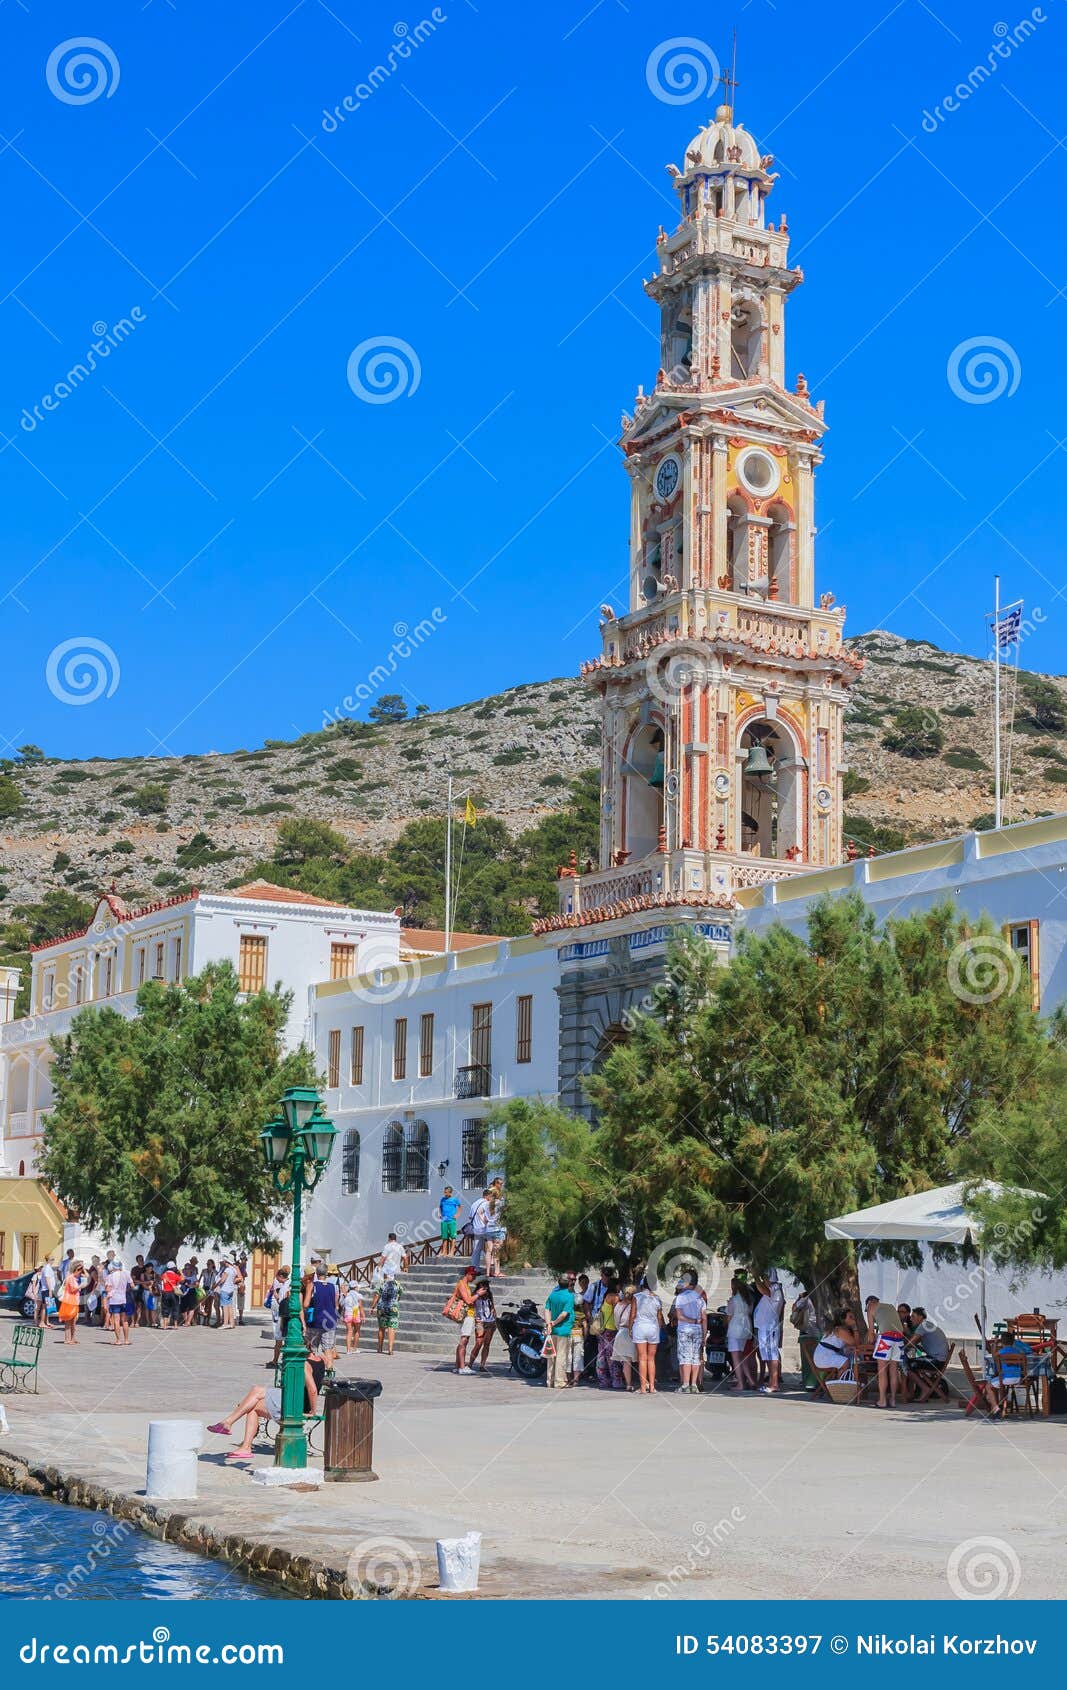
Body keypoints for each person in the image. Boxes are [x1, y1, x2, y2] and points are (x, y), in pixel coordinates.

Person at [207, 1354, 325, 1460]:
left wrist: (313, 1411)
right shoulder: (321, 1359)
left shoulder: (303, 1363)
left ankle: (229, 1424)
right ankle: (244, 1447)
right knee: (253, 1406)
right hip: (295, 1399)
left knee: (256, 1391)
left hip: (295, 1403)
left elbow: (313, 1390)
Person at [866, 1294, 905, 1409]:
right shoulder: (890, 1306)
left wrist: (871, 1342)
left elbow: (871, 1333)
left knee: (882, 1370)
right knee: (893, 1370)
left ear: (869, 1303)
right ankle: (892, 1400)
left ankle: (882, 1400)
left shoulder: (870, 1307)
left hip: (886, 1338)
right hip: (899, 1338)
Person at [672, 1270, 707, 1394]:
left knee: (685, 1357)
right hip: (697, 1330)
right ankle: (694, 1384)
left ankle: (686, 1384)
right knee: (695, 1358)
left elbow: (679, 1316)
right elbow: (704, 1318)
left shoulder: (681, 1297)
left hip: (685, 1329)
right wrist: (704, 1334)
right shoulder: (699, 1298)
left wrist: (691, 1321)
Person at [753, 1273, 785, 1395]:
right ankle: (771, 1382)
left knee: (772, 1355)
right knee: (767, 1355)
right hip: (764, 1327)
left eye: (764, 1278)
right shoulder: (771, 1289)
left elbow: (764, 1290)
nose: (763, 1280)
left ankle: (774, 1383)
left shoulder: (775, 1289)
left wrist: (755, 1276)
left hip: (769, 1327)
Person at [632, 1276, 664, 1394]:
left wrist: (630, 1328)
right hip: (653, 1328)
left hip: (640, 1327)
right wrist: (658, 1328)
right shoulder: (657, 1299)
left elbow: (633, 1314)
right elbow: (659, 1317)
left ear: (643, 1285)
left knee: (642, 1358)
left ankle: (642, 1387)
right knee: (651, 1359)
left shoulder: (637, 1297)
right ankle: (651, 1386)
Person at [544, 1273, 575, 1389]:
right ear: (569, 1283)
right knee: (561, 1356)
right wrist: (554, 1323)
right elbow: (564, 1314)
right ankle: (559, 1382)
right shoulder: (569, 1296)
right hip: (563, 1329)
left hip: (552, 1331)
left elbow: (547, 1309)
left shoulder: (553, 1294)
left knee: (551, 1356)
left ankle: (550, 1381)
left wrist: (549, 1324)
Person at [725, 1275, 756, 1390]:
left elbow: (729, 1316)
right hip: (746, 1326)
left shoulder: (733, 1300)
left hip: (735, 1327)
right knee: (742, 1356)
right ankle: (751, 1380)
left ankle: (741, 1383)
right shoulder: (748, 1299)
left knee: (736, 1358)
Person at [304, 1263, 338, 1365]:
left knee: (312, 1348)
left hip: (316, 1321)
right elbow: (336, 1305)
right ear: (326, 1273)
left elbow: (306, 1304)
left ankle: (312, 1371)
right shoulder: (333, 1287)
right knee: (328, 1349)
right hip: (330, 1321)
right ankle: (329, 1372)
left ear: (316, 1273)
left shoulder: (313, 1285)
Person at [813, 1311, 859, 1379]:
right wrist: (855, 1327)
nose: (853, 1319)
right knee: (845, 1362)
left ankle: (850, 1382)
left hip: (828, 1354)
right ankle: (839, 1385)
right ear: (843, 1319)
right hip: (823, 1356)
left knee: (852, 1358)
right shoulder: (840, 1330)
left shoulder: (843, 1329)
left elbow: (852, 1344)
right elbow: (855, 1343)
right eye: (850, 1317)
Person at [450, 1265, 478, 1374]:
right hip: (467, 1315)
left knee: (464, 1340)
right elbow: (468, 1301)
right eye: (473, 1275)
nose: (474, 1278)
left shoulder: (465, 1284)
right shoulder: (461, 1284)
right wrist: (478, 1294)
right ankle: (461, 1367)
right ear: (468, 1274)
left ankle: (458, 1366)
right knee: (464, 1340)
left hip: (469, 1314)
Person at [611, 1282, 637, 1390]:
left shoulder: (617, 1305)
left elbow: (616, 1322)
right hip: (632, 1333)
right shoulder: (634, 1306)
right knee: (642, 1359)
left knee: (626, 1362)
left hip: (621, 1332)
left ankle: (628, 1384)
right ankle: (645, 1383)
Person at [372, 1267, 403, 1355]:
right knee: (391, 1327)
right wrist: (395, 1303)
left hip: (382, 1307)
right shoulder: (397, 1284)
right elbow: (400, 1295)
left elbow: (377, 1296)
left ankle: (380, 1348)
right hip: (393, 1307)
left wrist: (372, 1307)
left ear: (386, 1274)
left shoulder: (382, 1283)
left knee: (381, 1328)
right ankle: (390, 1349)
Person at [469, 1278, 497, 1372]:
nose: (485, 1287)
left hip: (490, 1320)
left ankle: (482, 1364)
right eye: (483, 1285)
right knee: (478, 1343)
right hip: (480, 1321)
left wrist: (494, 1315)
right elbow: (470, 1306)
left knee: (487, 1344)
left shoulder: (489, 1295)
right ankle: (470, 1364)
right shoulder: (475, 1295)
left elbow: (492, 1306)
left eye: (486, 1285)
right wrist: (474, 1317)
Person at [104, 1258, 132, 1347]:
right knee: (125, 1320)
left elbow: (108, 1289)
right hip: (123, 1299)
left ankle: (118, 1340)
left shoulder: (110, 1276)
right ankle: (126, 1340)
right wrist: (125, 1290)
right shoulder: (126, 1274)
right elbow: (132, 1285)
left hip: (114, 1300)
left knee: (116, 1320)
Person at [266, 1265, 290, 1366]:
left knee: (279, 1339)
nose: (276, 1279)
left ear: (281, 1276)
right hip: (283, 1314)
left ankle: (276, 1360)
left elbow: (285, 1299)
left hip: (283, 1315)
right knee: (280, 1339)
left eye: (277, 1277)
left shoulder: (286, 1286)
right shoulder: (287, 1284)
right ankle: (277, 1359)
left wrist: (275, 1295)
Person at [570, 1273, 590, 1385]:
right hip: (579, 1336)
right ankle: (576, 1379)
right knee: (578, 1357)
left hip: (569, 1335)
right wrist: (585, 1335)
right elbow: (585, 1326)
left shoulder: (569, 1314)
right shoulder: (581, 1315)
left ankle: (569, 1376)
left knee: (569, 1356)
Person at [58, 1261, 84, 1345]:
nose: (80, 1271)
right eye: (79, 1269)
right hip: (70, 1301)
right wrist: (81, 1286)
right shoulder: (71, 1278)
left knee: (74, 1321)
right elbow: (73, 1289)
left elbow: (87, 1277)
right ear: (74, 1269)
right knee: (69, 1321)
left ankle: (72, 1338)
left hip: (74, 1301)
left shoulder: (74, 1278)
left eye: (81, 1270)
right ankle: (67, 1339)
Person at [216, 1257, 240, 1330]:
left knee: (225, 1307)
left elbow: (222, 1280)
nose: (224, 1263)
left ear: (227, 1262)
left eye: (225, 1262)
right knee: (230, 1307)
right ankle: (232, 1323)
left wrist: (216, 1285)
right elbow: (236, 1278)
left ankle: (225, 1323)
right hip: (231, 1290)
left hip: (225, 1290)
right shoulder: (234, 1270)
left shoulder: (227, 1270)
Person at [438, 1186, 462, 1257]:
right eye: (444, 1192)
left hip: (451, 1220)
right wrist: (439, 1213)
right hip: (444, 1220)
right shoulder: (442, 1199)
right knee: (444, 1237)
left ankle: (451, 1252)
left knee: (453, 1237)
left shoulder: (454, 1200)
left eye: (446, 1192)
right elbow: (440, 1207)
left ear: (450, 1192)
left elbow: (460, 1206)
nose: (444, 1193)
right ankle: (444, 1252)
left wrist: (457, 1214)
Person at [36, 1257, 58, 1330]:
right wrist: (50, 1290)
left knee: (47, 1307)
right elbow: (47, 1279)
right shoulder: (47, 1268)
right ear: (48, 1260)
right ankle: (42, 1322)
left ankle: (46, 1322)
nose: (53, 1261)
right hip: (46, 1290)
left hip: (46, 1290)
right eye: (52, 1259)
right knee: (45, 1307)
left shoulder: (46, 1268)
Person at [342, 1279, 364, 1353]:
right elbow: (360, 1306)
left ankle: (348, 1350)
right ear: (355, 1287)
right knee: (357, 1330)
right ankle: (354, 1348)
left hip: (348, 1313)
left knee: (349, 1331)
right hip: (355, 1312)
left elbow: (344, 1307)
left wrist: (343, 1315)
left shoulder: (346, 1295)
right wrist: (363, 1316)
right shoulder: (358, 1295)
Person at [160, 1261, 182, 1330]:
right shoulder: (176, 1275)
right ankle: (175, 1325)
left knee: (165, 1309)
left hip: (165, 1293)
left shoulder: (163, 1275)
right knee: (175, 1308)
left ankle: (165, 1326)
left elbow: (162, 1285)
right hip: (173, 1293)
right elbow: (181, 1282)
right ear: (173, 1268)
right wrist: (180, 1272)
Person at [235, 1254, 248, 1325]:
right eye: (244, 1260)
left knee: (241, 1303)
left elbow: (245, 1274)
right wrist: (240, 1264)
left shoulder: (243, 1266)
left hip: (241, 1285)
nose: (245, 1262)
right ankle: (234, 1318)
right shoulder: (237, 1265)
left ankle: (240, 1318)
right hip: (236, 1284)